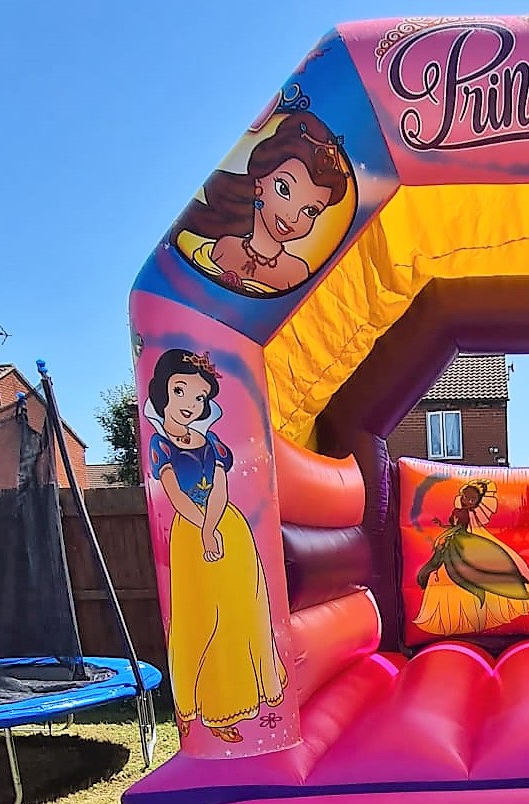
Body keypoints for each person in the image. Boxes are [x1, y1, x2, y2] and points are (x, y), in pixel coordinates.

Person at [146, 349, 286, 742]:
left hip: (229, 528)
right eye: (181, 392)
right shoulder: (161, 446)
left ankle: (242, 697)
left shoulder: (211, 444)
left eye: (198, 397)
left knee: (241, 611)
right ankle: (201, 705)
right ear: (161, 392)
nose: (190, 404)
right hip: (189, 534)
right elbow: (174, 493)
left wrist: (213, 527)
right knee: (199, 616)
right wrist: (203, 529)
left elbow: (220, 488)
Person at [175, 110, 350, 295]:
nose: (294, 217)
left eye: (311, 211)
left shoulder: (296, 272)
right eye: (283, 189)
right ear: (260, 182)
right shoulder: (224, 247)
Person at [414, 481, 529, 636]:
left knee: (471, 566)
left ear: (477, 502)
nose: (468, 501)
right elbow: (453, 525)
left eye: (472, 500)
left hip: (462, 540)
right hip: (455, 539)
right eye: (466, 497)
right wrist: (443, 526)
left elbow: (460, 527)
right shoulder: (458, 511)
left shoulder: (467, 514)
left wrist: (450, 531)